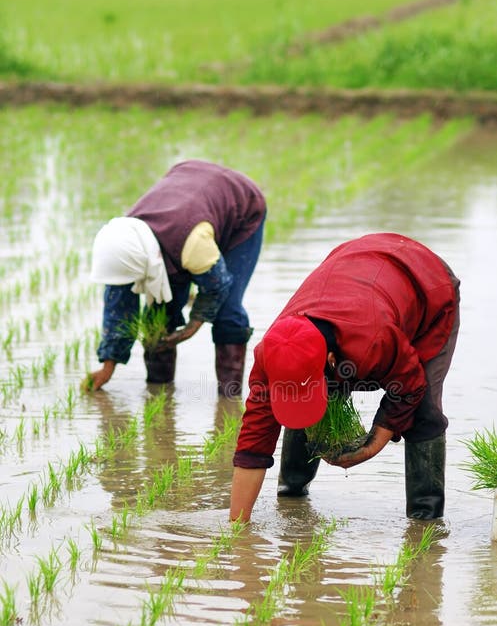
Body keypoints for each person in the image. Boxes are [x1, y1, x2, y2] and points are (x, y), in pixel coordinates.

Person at [229, 232, 460, 522]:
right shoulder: (271, 354)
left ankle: (424, 521)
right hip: (354, 271)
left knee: (423, 409)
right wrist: (238, 531)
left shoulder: (373, 342)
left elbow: (409, 386)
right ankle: (292, 498)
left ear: (331, 359)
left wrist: (371, 446)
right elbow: (254, 442)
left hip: (427, 286)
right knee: (306, 401)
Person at [87, 160, 266, 396]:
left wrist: (193, 325)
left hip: (240, 209)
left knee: (227, 311)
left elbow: (218, 286)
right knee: (160, 312)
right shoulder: (123, 247)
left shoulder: (192, 244)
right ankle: (159, 394)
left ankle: (229, 400)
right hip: (187, 199)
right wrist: (108, 367)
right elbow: (119, 308)